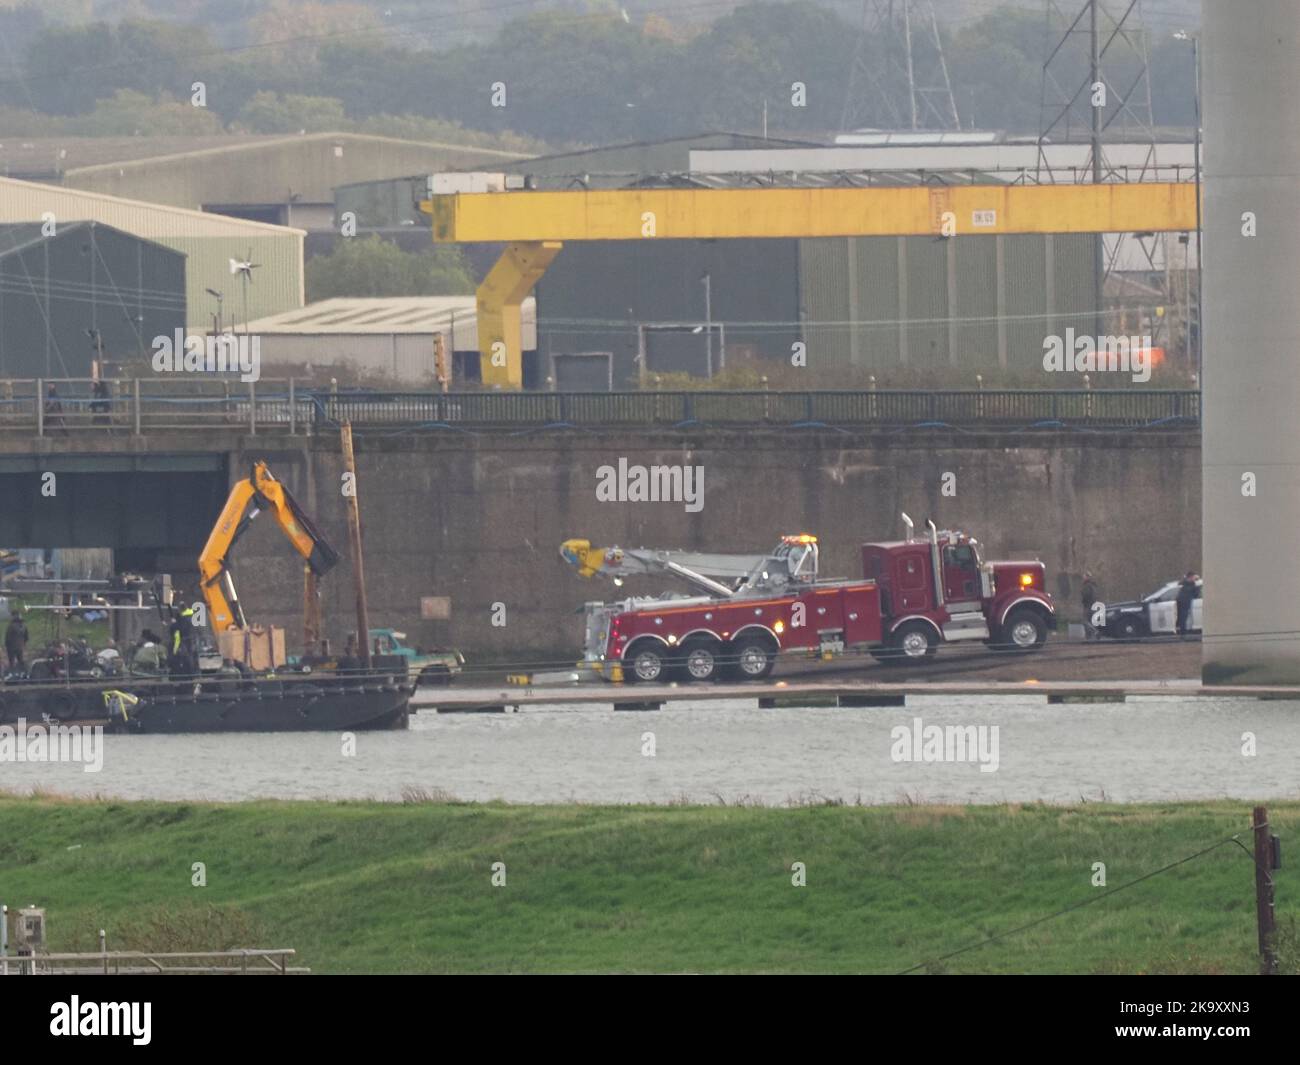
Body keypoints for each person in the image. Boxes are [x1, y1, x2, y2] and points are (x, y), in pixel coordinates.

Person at [1176, 571, 1199, 636]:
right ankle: (1182, 633)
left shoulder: (1191, 584)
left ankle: (1183, 633)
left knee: (1183, 618)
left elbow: (1196, 595)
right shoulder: (1185, 584)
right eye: (1193, 577)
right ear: (1190, 577)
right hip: (1181, 603)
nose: (1194, 578)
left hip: (1185, 603)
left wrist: (1195, 583)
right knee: (1182, 618)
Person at [1080, 571, 1099, 640]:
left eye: (1084, 576)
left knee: (1084, 621)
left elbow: (1086, 595)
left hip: (1088, 605)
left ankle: (1095, 631)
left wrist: (1083, 601)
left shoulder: (1087, 585)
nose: (1083, 578)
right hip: (1094, 605)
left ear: (1087, 577)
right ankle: (1089, 637)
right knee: (1091, 621)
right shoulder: (1093, 585)